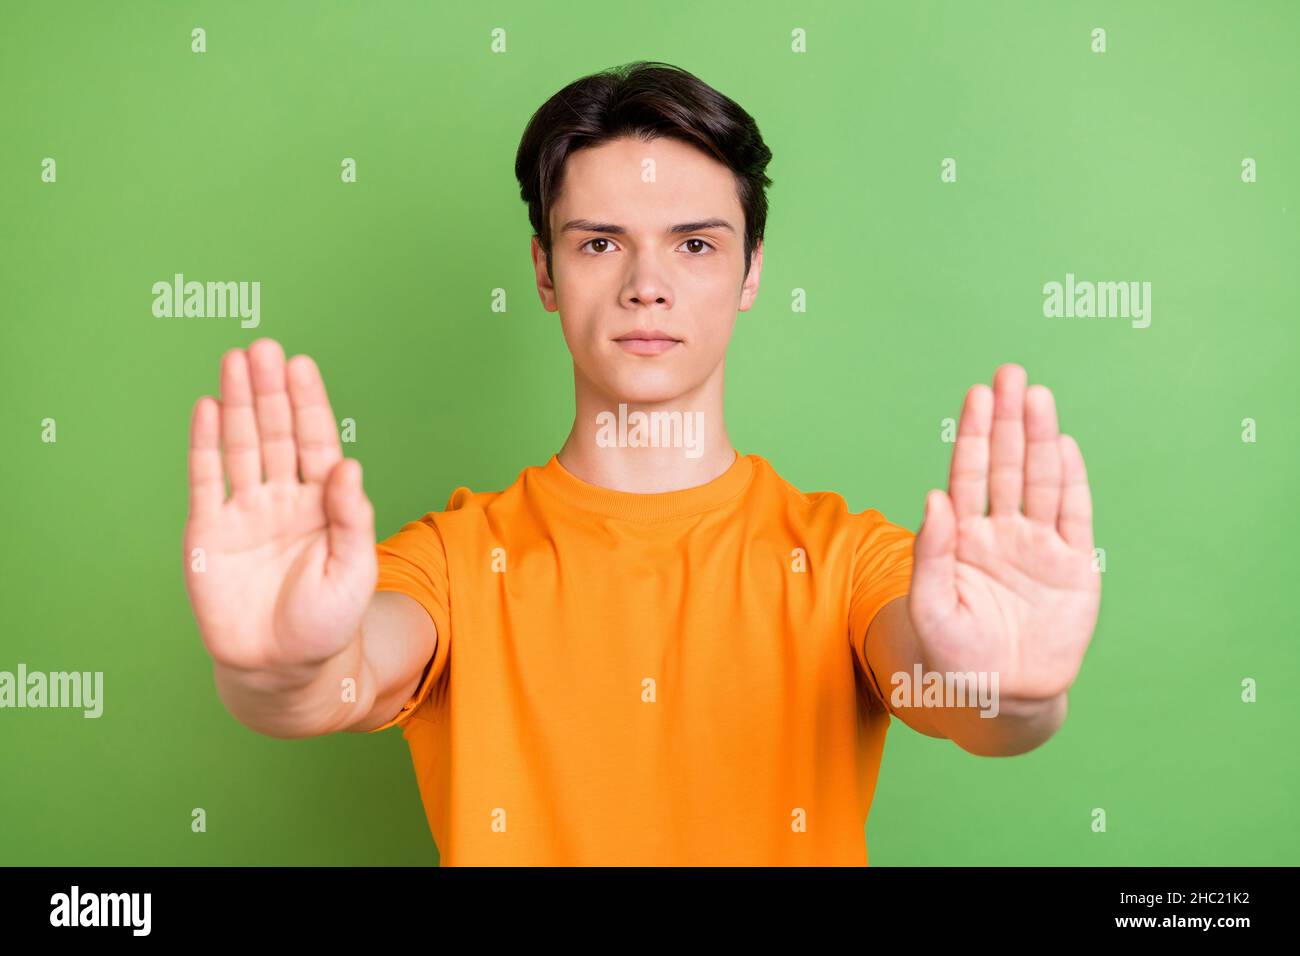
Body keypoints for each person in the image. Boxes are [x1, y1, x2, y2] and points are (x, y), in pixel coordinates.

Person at [182, 61, 1101, 866]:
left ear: (750, 274)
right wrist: (276, 670)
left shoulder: (849, 560)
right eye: (599, 243)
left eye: (695, 244)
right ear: (545, 272)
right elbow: (331, 681)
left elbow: (971, 706)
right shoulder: (455, 563)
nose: (645, 283)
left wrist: (1013, 692)